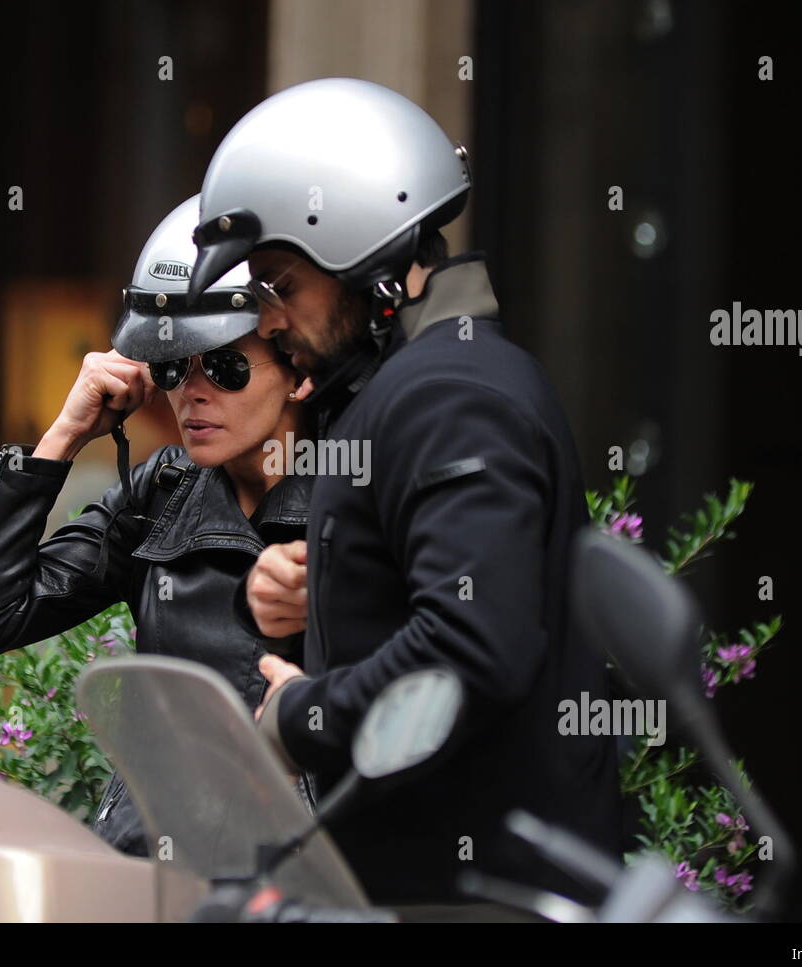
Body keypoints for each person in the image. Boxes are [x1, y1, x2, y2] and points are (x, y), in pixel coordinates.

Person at [185, 78, 622, 905]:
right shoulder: (425, 385)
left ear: (369, 258)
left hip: (479, 901)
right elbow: (455, 599)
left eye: (280, 282)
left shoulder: (447, 392)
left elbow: (471, 650)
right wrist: (330, 592)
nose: (266, 320)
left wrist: (301, 717)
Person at [0, 195, 315, 856]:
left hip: (307, 875)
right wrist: (63, 436)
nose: (192, 393)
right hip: (152, 864)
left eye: (223, 366)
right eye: (171, 368)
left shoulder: (362, 504)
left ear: (300, 371)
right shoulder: (163, 491)